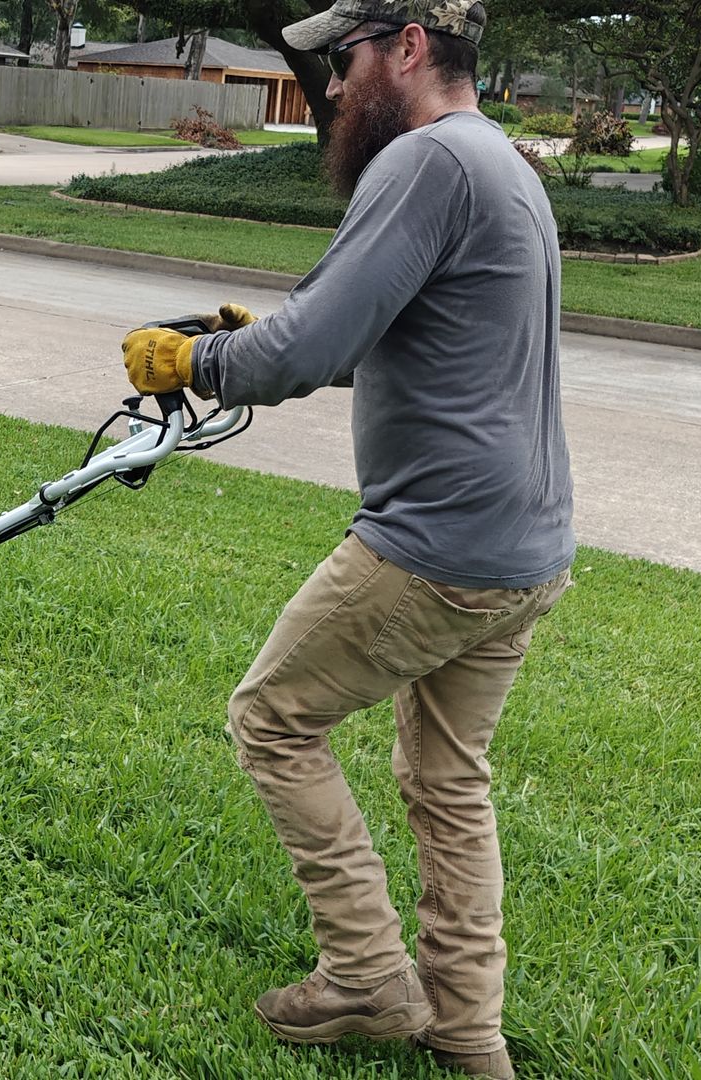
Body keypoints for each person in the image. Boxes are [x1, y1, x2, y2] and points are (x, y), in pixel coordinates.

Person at [118, 2, 574, 1077]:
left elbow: (302, 354)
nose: (330, 86)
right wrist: (254, 334)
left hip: (437, 547)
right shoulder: (500, 163)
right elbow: (401, 338)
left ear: (407, 47)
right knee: (450, 784)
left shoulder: (426, 165)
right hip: (526, 547)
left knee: (270, 717)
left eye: (344, 59)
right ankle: (468, 1036)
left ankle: (367, 978)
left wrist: (194, 363)